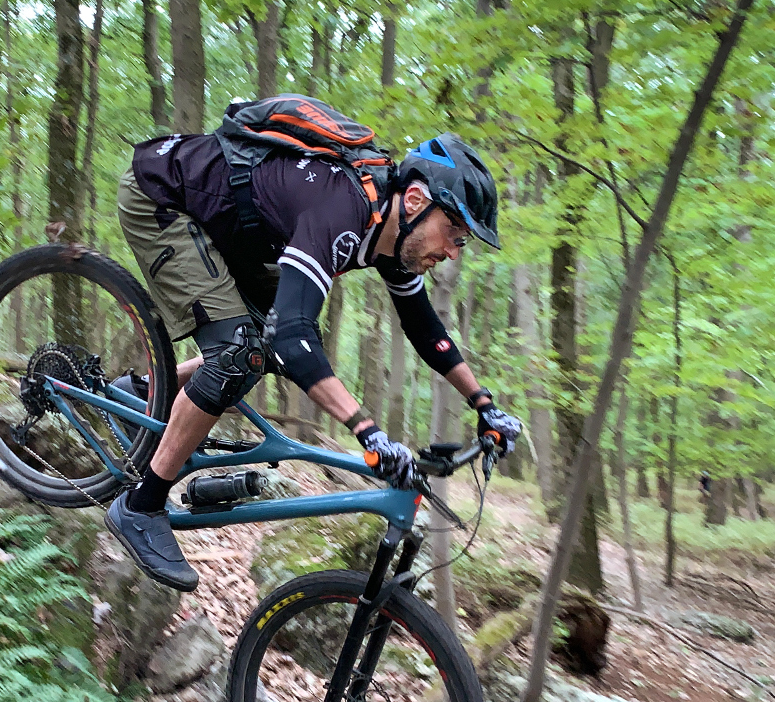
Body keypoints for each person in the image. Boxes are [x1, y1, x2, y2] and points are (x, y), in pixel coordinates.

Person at [107, 121, 523, 591]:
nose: (452, 251)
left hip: (235, 227)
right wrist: (369, 432)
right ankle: (141, 507)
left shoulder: (391, 235)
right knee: (241, 353)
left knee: (263, 346)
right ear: (414, 201)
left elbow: (426, 330)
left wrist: (484, 404)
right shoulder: (342, 208)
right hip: (164, 193)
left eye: (462, 240)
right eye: (452, 231)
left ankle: (141, 396)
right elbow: (294, 338)